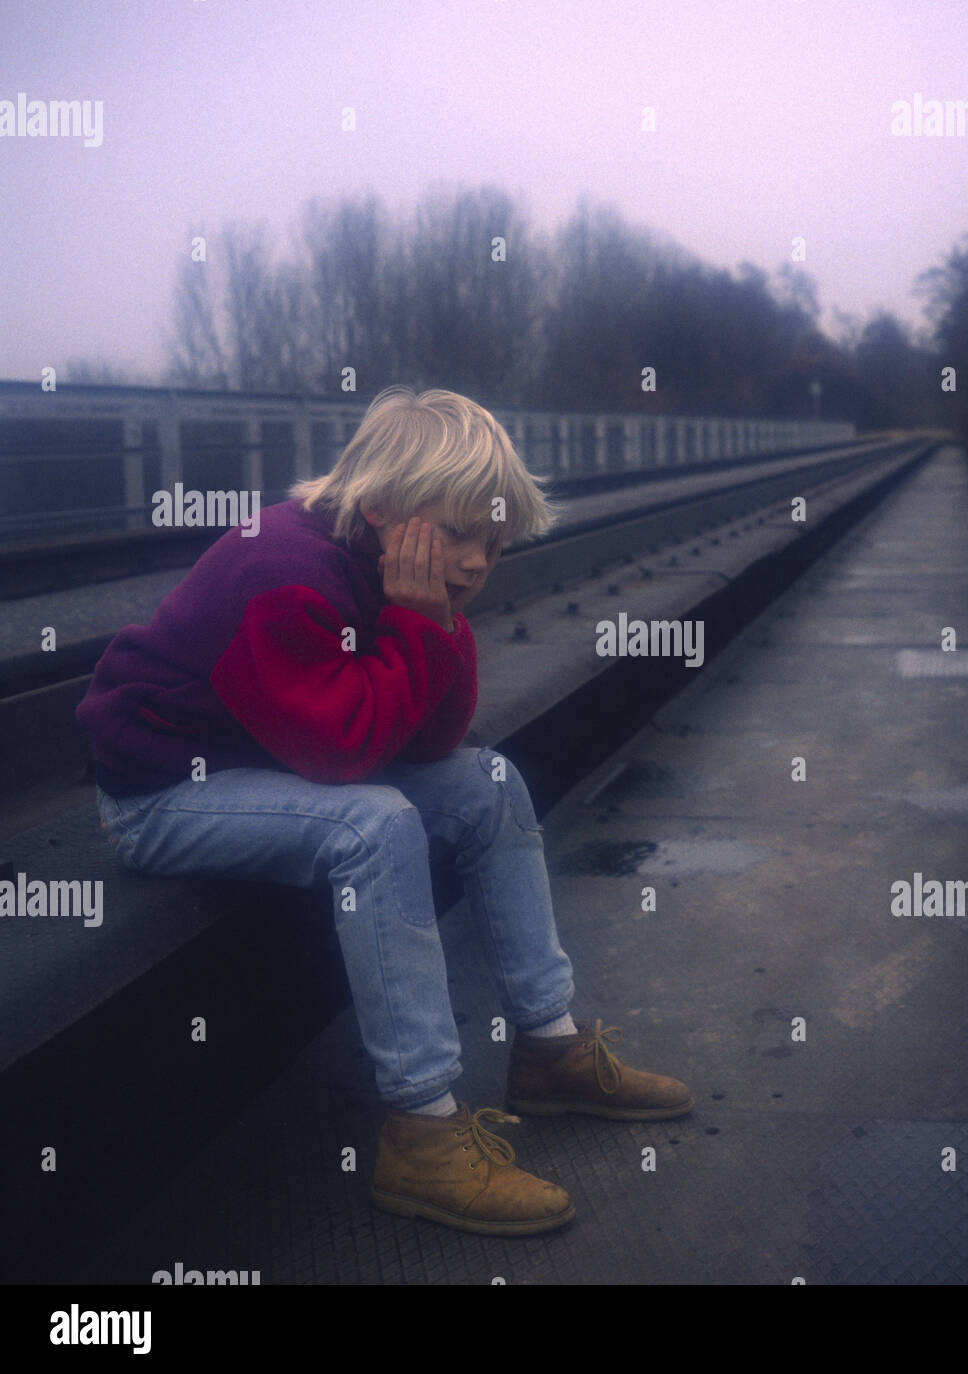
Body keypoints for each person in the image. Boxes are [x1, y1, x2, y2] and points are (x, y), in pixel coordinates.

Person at [77, 386, 693, 1237]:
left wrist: (431, 622)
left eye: (495, 539)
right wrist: (416, 623)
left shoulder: (385, 562)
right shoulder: (283, 573)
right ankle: (423, 1131)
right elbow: (341, 755)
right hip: (165, 794)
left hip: (273, 758)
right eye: (459, 533)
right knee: (375, 823)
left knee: (492, 783)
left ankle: (549, 1046)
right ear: (379, 507)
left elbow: (437, 740)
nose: (479, 560)